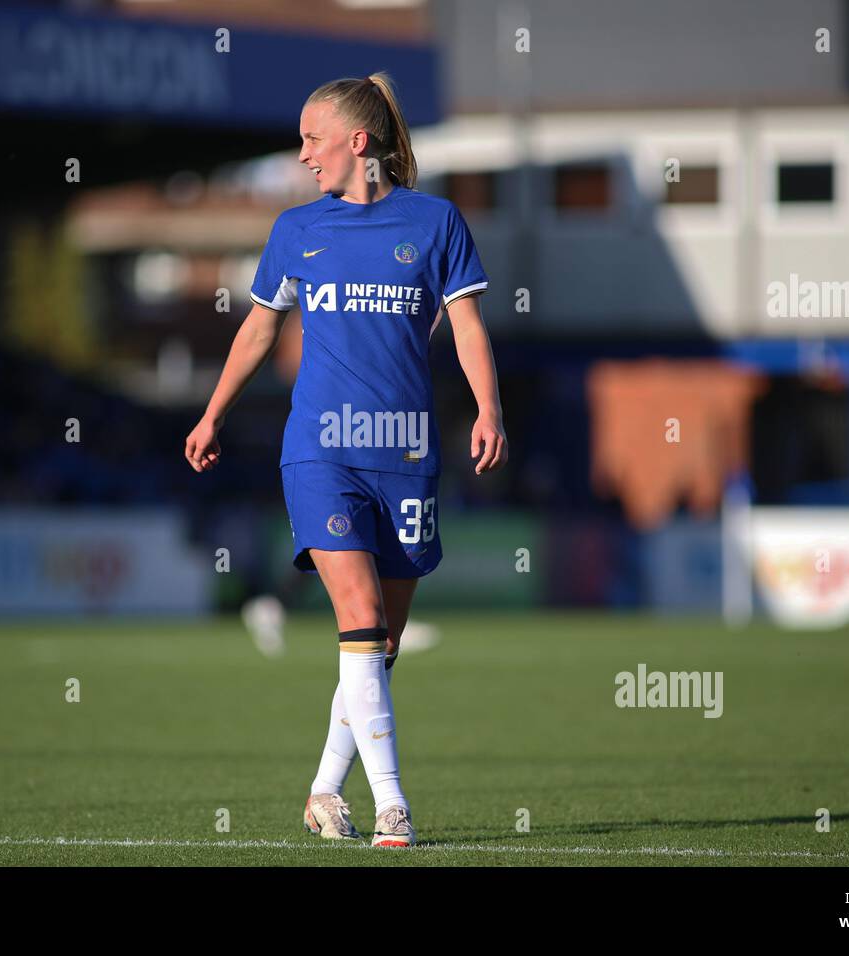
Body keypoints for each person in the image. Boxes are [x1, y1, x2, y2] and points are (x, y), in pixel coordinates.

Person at [185, 72, 506, 848]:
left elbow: (465, 327)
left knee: (379, 647)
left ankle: (325, 790)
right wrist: (213, 410)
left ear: (358, 143)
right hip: (321, 451)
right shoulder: (297, 231)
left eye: (312, 139)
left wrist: (490, 407)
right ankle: (394, 805)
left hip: (407, 454)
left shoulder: (435, 224)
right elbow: (259, 330)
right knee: (358, 620)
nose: (301, 156)